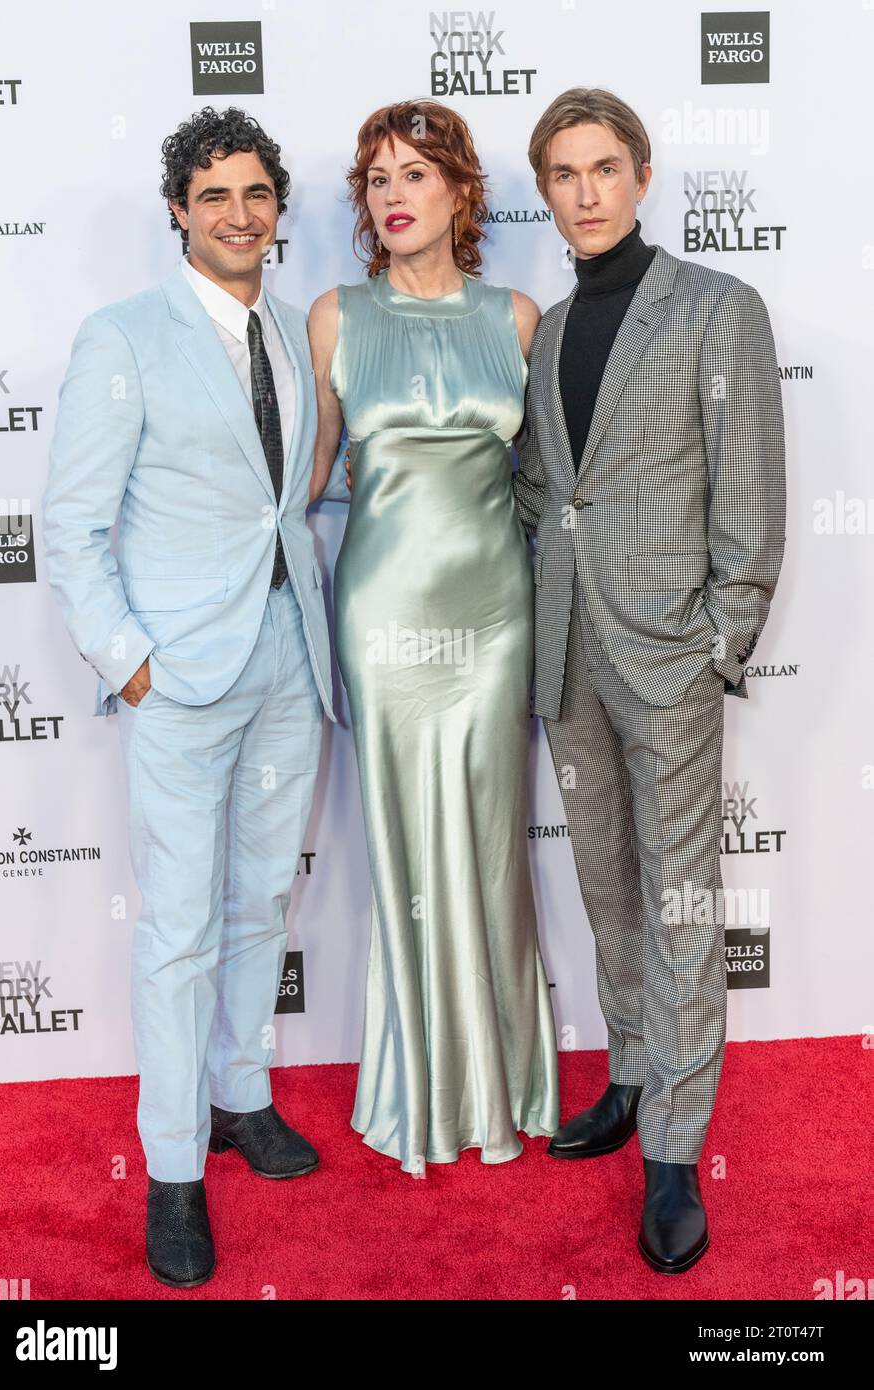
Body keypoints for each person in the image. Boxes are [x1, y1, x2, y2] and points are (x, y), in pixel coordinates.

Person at [43, 107, 334, 1287]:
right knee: (177, 924)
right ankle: (170, 1167)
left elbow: (285, 498)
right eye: (211, 194)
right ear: (177, 210)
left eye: (255, 192)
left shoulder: (283, 328)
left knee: (263, 895)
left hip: (285, 654)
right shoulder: (122, 336)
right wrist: (130, 660)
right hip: (180, 674)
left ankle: (240, 1094)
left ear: (277, 208)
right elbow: (68, 523)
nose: (236, 213)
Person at [513, 88, 786, 1273]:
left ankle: (673, 1151)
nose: (582, 192)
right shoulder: (547, 326)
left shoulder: (715, 310)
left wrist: (716, 642)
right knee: (607, 878)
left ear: (639, 175)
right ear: (547, 192)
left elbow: (751, 498)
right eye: (562, 174)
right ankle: (629, 1072)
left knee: (680, 896)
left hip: (667, 654)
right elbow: (541, 486)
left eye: (601, 168)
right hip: (567, 646)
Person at [309, 100, 560, 1175]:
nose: (395, 195)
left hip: (493, 614)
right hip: (380, 613)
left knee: (493, 841)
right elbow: (305, 483)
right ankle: (416, 1077)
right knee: (403, 842)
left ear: (461, 192)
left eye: (416, 174)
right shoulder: (333, 316)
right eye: (377, 179)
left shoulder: (515, 317)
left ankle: (500, 1076)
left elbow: (552, 483)